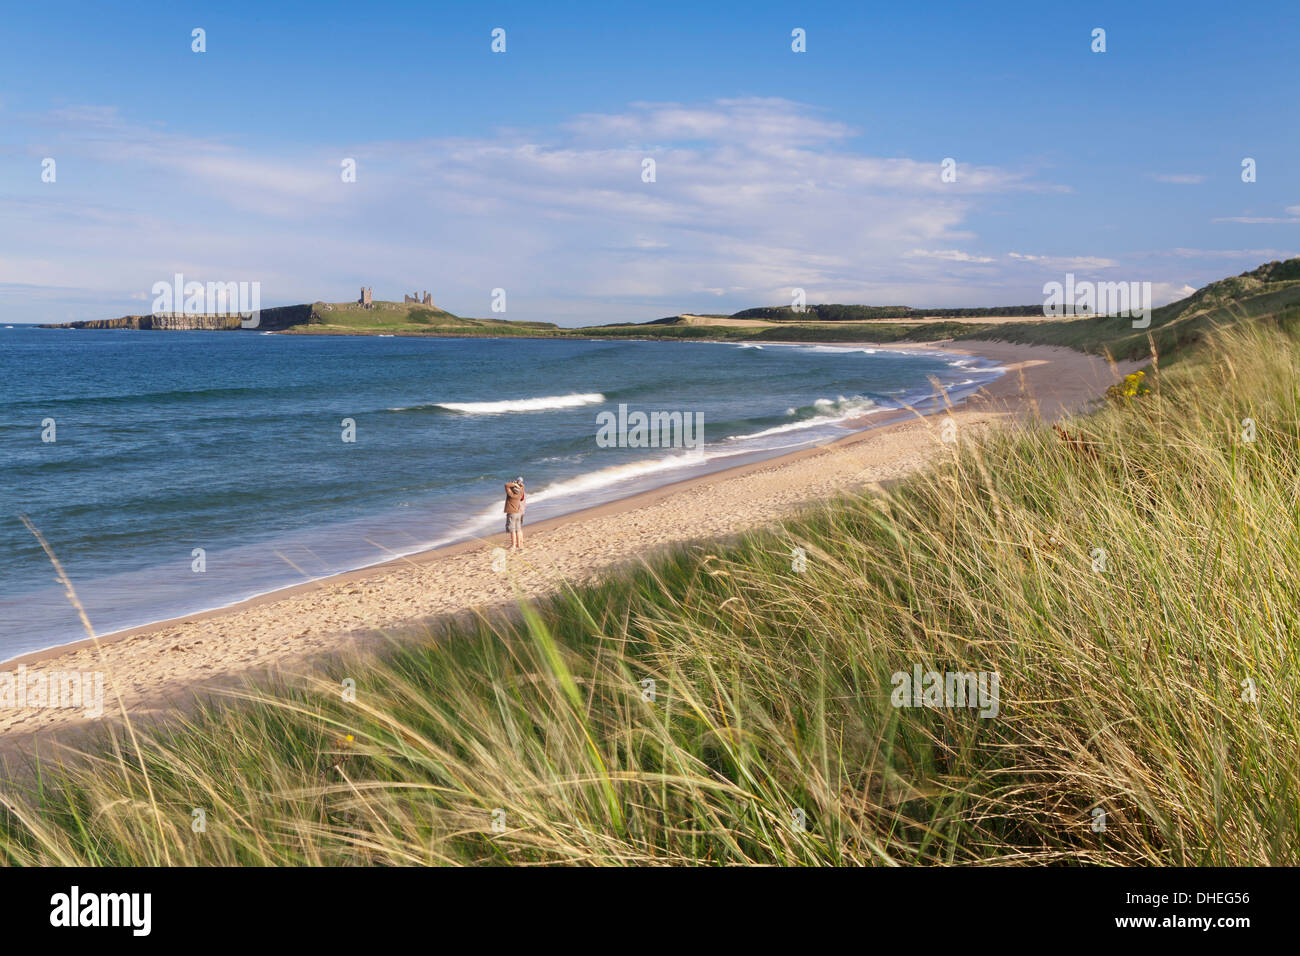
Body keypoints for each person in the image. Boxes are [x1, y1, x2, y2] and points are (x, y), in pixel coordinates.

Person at [504, 477, 525, 552]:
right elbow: (522, 486)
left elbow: (506, 485)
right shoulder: (520, 493)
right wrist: (518, 484)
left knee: (512, 530)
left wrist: (514, 483)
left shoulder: (511, 495)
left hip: (512, 513)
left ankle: (513, 545)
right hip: (518, 513)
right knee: (518, 529)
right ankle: (519, 545)